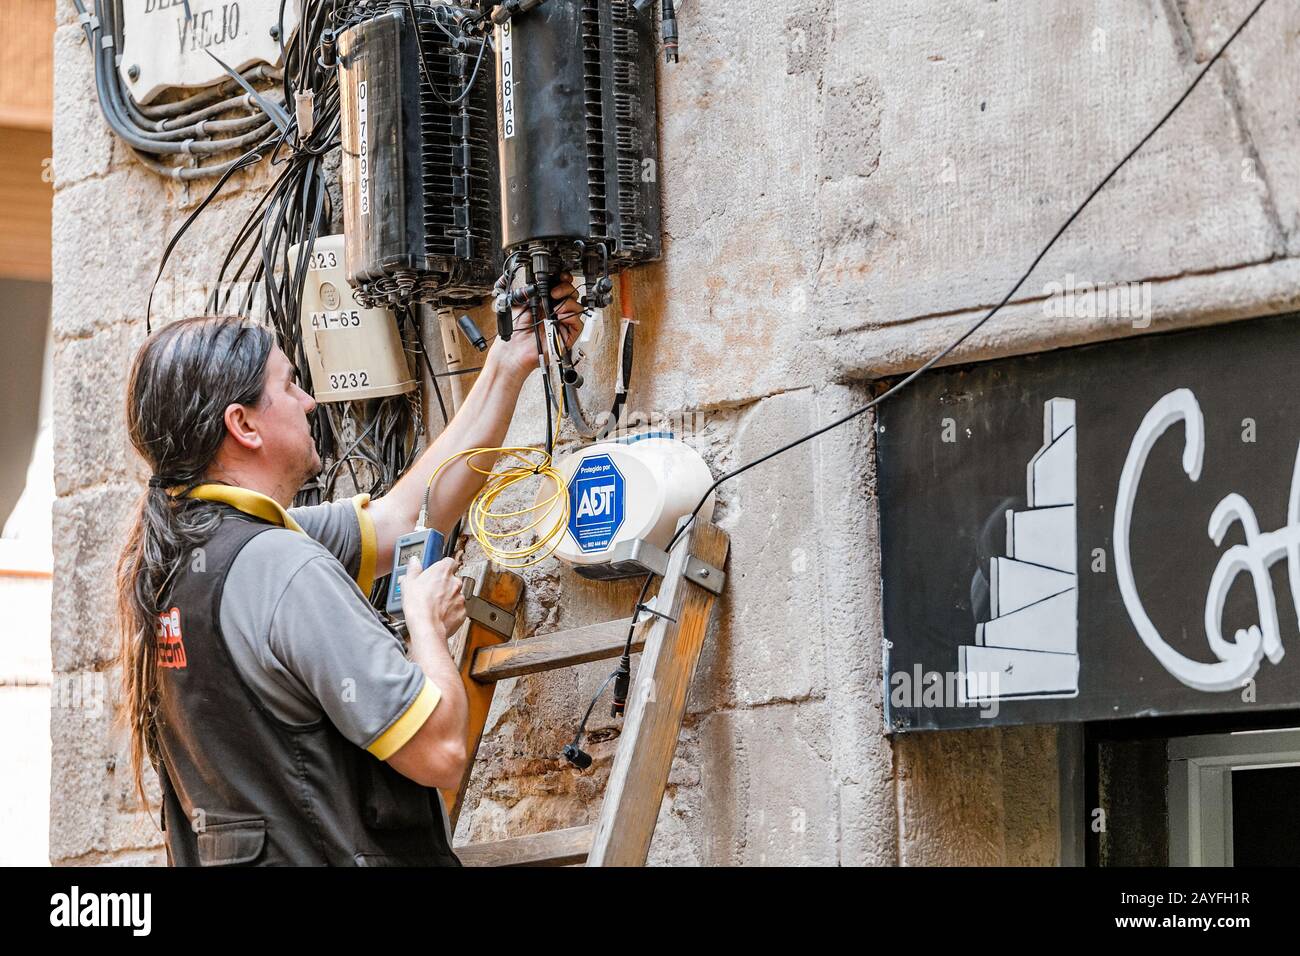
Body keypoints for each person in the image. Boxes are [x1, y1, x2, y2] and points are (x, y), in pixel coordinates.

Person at [115, 283, 583, 865]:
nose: (310, 401)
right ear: (244, 425)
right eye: (288, 384)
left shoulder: (177, 558)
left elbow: (402, 515)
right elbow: (439, 750)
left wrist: (507, 364)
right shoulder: (284, 566)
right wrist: (427, 625)